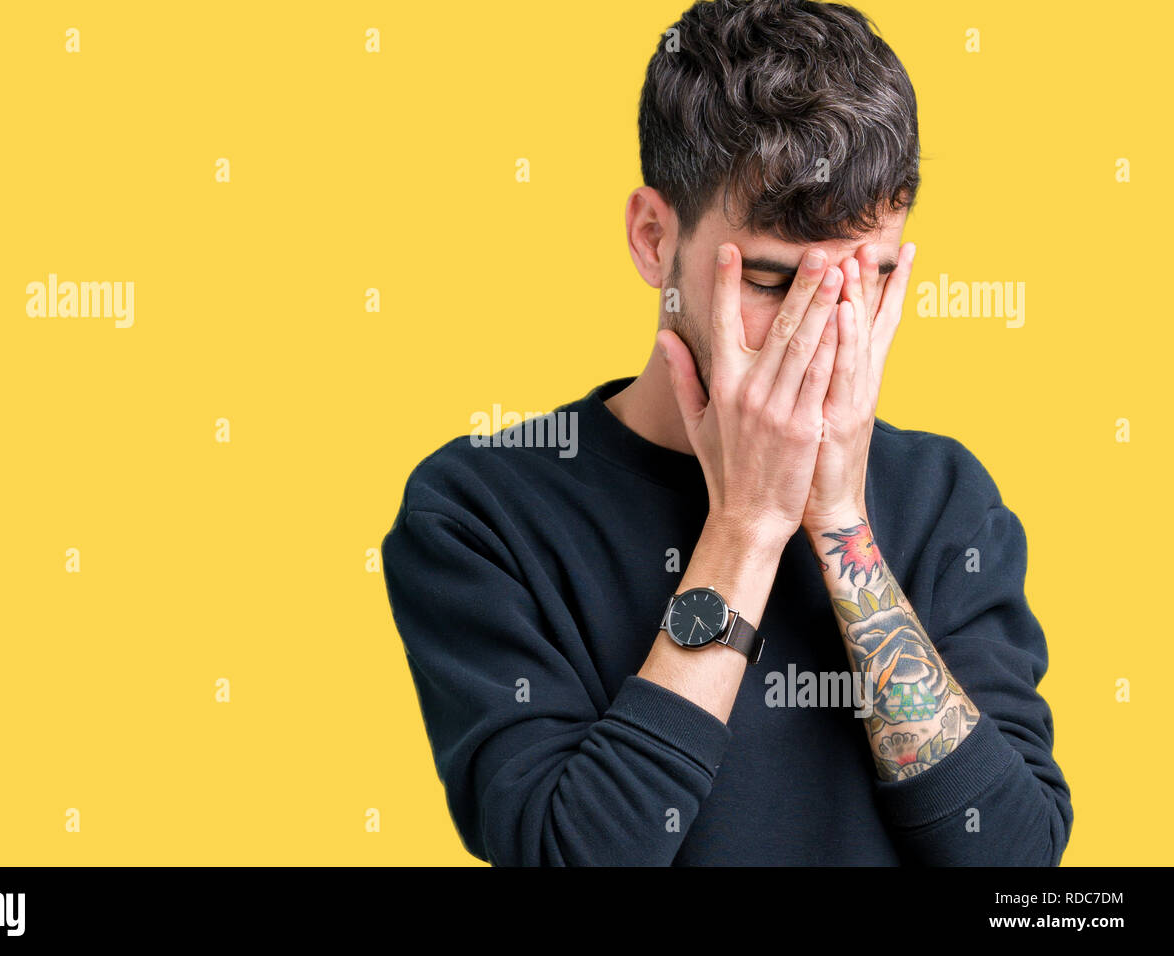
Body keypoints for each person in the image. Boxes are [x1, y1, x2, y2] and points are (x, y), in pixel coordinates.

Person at [381, 0, 1071, 865]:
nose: (825, 332)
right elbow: (574, 853)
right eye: (777, 283)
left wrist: (841, 527)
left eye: (876, 278)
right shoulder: (479, 512)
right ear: (651, 238)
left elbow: (1015, 865)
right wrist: (744, 530)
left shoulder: (945, 499)